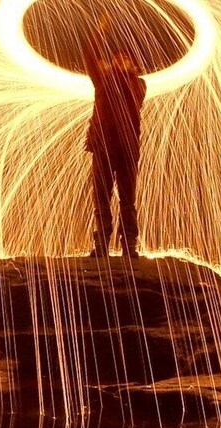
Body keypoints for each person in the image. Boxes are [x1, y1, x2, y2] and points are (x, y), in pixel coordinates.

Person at [83, 18, 147, 258]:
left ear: (133, 66)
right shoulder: (102, 81)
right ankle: (102, 245)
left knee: (127, 201)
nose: (119, 60)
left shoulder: (139, 84)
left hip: (127, 149)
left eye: (125, 58)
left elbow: (130, 97)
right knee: (101, 198)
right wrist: (99, 30)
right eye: (115, 58)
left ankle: (129, 245)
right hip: (102, 146)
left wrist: (113, 72)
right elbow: (90, 55)